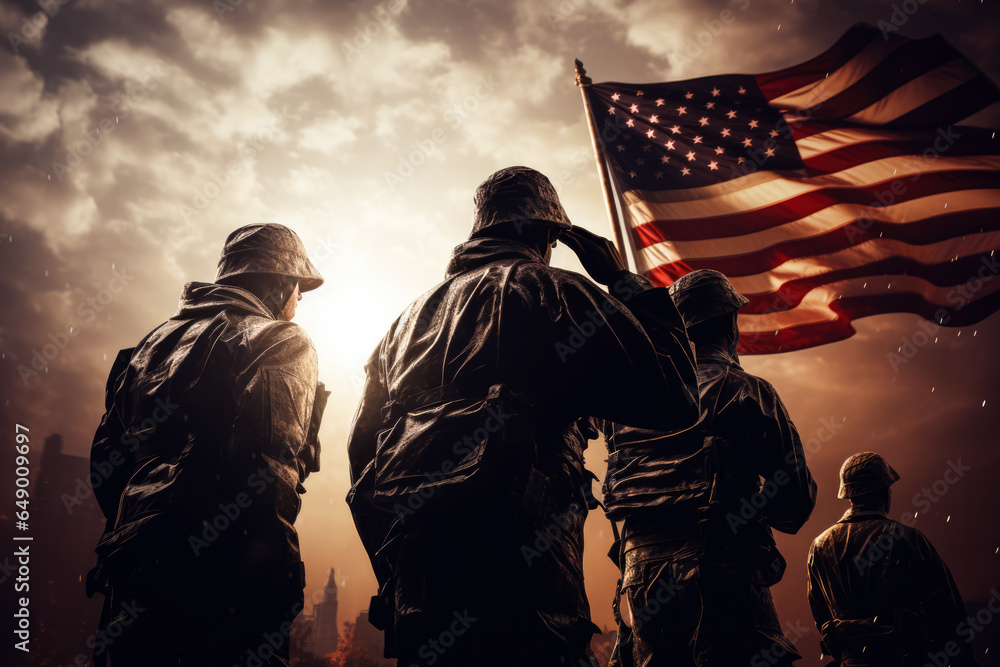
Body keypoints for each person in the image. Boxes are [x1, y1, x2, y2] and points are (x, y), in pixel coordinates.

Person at [346, 166, 700, 666]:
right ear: (551, 234)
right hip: (527, 573)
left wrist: (393, 572)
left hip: (420, 578)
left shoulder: (403, 322)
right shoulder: (556, 291)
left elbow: (362, 461)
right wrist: (624, 282)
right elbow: (679, 396)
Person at [86, 223, 329, 666]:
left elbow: (106, 464)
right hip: (221, 573)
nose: (299, 300)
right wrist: (274, 578)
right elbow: (265, 470)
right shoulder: (278, 339)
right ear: (279, 283)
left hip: (131, 563)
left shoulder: (144, 348)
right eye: (298, 287)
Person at [599, 268, 817, 667]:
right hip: (722, 576)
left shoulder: (623, 407)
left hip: (640, 581)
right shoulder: (748, 391)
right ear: (729, 324)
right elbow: (795, 501)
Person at [807, 452, 980, 666]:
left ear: (848, 493)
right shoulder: (908, 539)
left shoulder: (819, 546)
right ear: (882, 490)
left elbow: (821, 615)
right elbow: (948, 612)